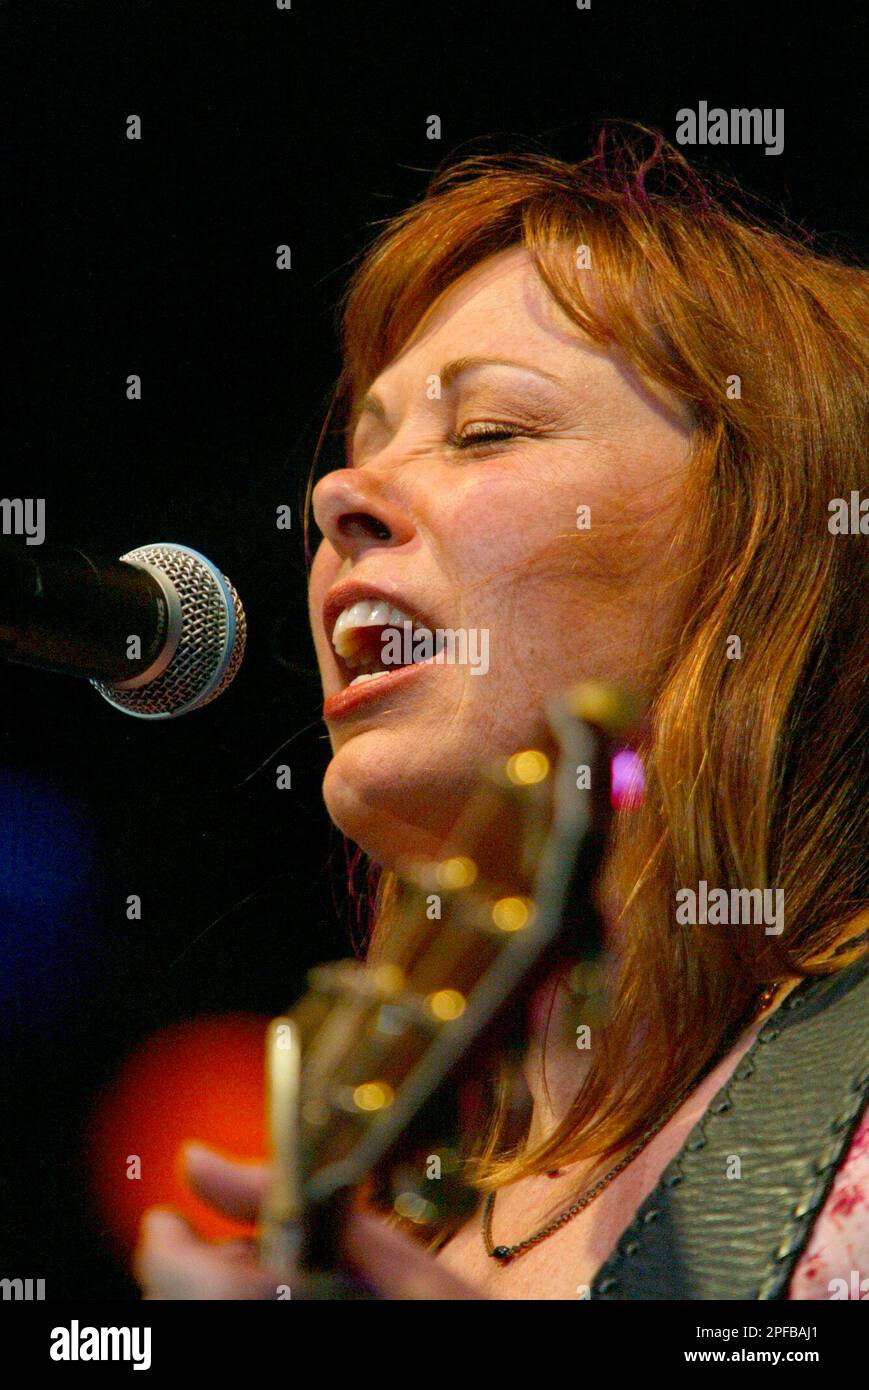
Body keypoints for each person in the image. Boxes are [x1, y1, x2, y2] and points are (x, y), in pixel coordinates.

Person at [135, 127, 869, 1300]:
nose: (335, 495)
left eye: (486, 432)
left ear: (765, 541)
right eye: (359, 445)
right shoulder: (385, 1206)